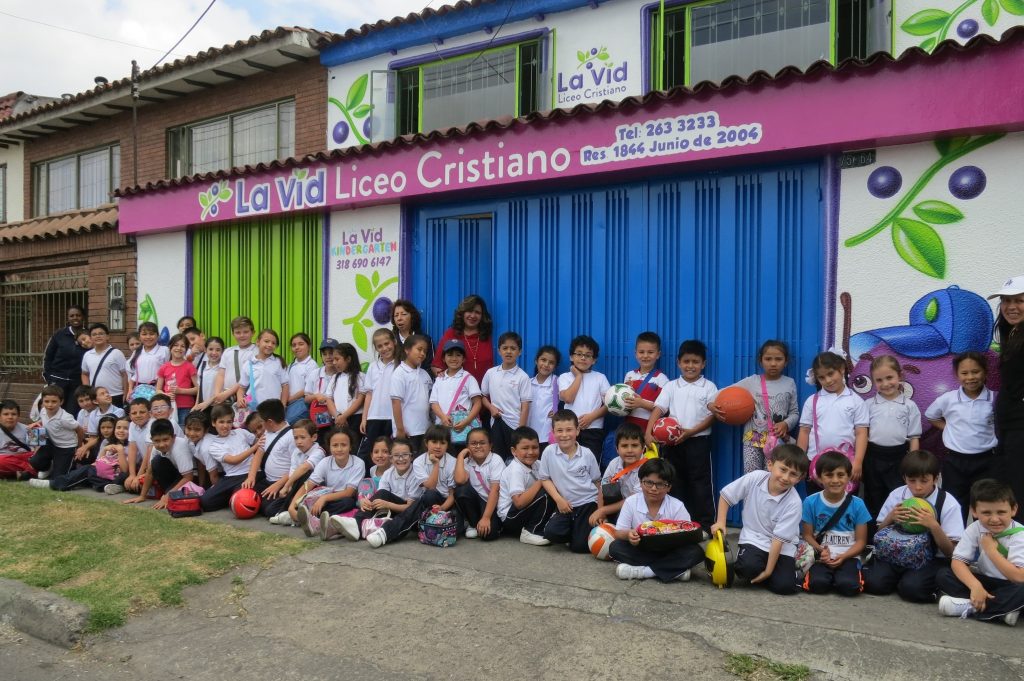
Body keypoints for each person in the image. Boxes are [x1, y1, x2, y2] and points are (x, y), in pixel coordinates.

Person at [863, 450, 964, 602]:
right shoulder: (898, 495)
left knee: (912, 589)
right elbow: (879, 533)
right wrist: (891, 517)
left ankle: (927, 586)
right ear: (904, 478)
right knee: (874, 584)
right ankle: (900, 578)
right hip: (895, 554)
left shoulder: (947, 503)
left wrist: (934, 526)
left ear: (935, 478)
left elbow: (950, 552)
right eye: (912, 480)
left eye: (924, 481)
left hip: (930, 560)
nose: (917, 487)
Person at [711, 444, 808, 595]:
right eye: (783, 469)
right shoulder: (756, 477)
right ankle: (762, 567)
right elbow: (726, 495)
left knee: (785, 587)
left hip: (782, 545)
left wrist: (768, 572)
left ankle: (792, 564)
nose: (785, 477)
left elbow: (778, 540)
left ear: (800, 478)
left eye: (793, 474)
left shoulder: (794, 503)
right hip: (754, 538)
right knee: (746, 569)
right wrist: (721, 521)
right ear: (770, 464)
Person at [646, 339, 718, 529]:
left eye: (695, 362)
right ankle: (678, 523)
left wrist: (691, 432)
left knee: (700, 484)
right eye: (686, 361)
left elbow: (713, 415)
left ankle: (705, 525)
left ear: (703, 364)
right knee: (674, 483)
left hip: (698, 442)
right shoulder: (671, 386)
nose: (690, 366)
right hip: (672, 445)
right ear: (679, 362)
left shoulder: (709, 387)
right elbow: (658, 409)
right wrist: (648, 432)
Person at [936, 479, 1024, 626]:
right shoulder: (975, 528)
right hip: (985, 582)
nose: (994, 519)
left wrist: (991, 550)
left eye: (1001, 512)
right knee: (944, 575)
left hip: (1012, 585)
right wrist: (975, 586)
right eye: (986, 513)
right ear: (974, 512)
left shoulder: (1019, 535)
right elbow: (958, 562)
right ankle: (1001, 610)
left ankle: (970, 607)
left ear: (1013, 509)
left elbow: (1019, 577)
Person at [925, 351, 998, 521]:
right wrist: (948, 427)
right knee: (955, 506)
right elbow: (931, 415)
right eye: (964, 373)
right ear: (957, 375)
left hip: (987, 462)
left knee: (985, 504)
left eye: (976, 371)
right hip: (955, 463)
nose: (970, 377)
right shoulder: (948, 399)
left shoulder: (994, 398)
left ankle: (984, 543)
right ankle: (956, 545)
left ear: (985, 372)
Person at [609, 458, 704, 582]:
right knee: (615, 547)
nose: (653, 488)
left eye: (660, 484)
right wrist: (628, 535)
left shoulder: (677, 506)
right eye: (648, 482)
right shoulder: (631, 502)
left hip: (670, 550)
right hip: (642, 548)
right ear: (640, 482)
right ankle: (674, 570)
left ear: (669, 487)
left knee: (696, 552)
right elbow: (618, 532)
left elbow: (689, 536)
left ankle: (644, 572)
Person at [712, 340, 798, 474]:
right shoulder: (752, 381)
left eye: (778, 359)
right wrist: (711, 405)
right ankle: (752, 496)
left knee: (773, 476)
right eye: (768, 359)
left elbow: (794, 413)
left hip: (777, 441)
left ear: (786, 361)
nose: (773, 363)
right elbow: (720, 394)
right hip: (752, 440)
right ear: (760, 360)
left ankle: (769, 497)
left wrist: (786, 424)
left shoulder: (789, 383)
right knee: (752, 477)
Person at [365, 425, 457, 547]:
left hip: (445, 503)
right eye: (434, 442)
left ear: (447, 445)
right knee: (425, 497)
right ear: (426, 443)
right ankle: (357, 523)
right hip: (427, 502)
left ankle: (386, 532)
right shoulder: (419, 461)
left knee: (427, 496)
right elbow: (430, 486)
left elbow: (450, 494)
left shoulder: (452, 462)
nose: (438, 446)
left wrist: (442, 508)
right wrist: (363, 502)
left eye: (442, 443)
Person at [800, 451, 871, 596]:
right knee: (817, 585)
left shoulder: (858, 504)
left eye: (840, 475)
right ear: (819, 477)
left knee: (849, 588)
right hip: (821, 556)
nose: (835, 480)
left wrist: (843, 557)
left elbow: (861, 541)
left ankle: (842, 578)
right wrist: (821, 550)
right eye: (829, 474)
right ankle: (828, 578)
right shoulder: (810, 502)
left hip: (849, 556)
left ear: (849, 477)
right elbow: (807, 535)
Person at [796, 351, 869, 489]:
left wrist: (858, 462)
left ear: (841, 369)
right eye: (822, 377)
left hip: (846, 464)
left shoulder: (856, 401)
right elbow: (804, 432)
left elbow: (861, 433)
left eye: (831, 374)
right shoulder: (812, 401)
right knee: (817, 504)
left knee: (844, 507)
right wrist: (801, 461)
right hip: (816, 465)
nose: (828, 380)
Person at [863, 355, 922, 519]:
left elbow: (914, 437)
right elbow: (861, 435)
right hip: (873, 458)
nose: (885, 383)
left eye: (890, 377)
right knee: (873, 496)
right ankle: (872, 538)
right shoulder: (868, 405)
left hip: (899, 460)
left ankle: (896, 537)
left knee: (898, 497)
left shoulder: (909, 406)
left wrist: (912, 463)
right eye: (879, 380)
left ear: (900, 376)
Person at [538, 410, 602, 552]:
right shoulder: (549, 452)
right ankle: (576, 531)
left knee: (580, 547)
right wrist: (559, 499)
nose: (564, 435)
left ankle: (579, 533)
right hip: (566, 506)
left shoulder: (587, 454)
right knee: (551, 533)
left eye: (569, 430)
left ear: (577, 431)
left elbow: (598, 483)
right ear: (553, 432)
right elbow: (545, 478)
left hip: (587, 503)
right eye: (559, 430)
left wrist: (600, 510)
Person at [336, 437, 420, 541]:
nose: (401, 458)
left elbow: (411, 508)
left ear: (411, 457)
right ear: (391, 458)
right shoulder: (388, 473)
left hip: (410, 514)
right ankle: (355, 524)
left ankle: (356, 523)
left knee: (383, 495)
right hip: (392, 511)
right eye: (396, 455)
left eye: (405, 455)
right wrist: (365, 502)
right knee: (380, 495)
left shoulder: (416, 475)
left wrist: (387, 504)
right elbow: (381, 496)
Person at [990, 276, 1024, 521]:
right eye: (1006, 301)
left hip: (1020, 429)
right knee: (1011, 488)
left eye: (1019, 300)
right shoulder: (1013, 334)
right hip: (1010, 429)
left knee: (1019, 492)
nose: (1011, 306)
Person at [295, 427, 365, 539]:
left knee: (348, 502)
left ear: (350, 446)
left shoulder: (358, 463)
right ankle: (313, 518)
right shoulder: (325, 462)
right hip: (327, 498)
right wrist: (292, 506)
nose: (339, 449)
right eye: (335, 445)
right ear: (329, 447)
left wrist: (324, 498)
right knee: (309, 498)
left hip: (341, 498)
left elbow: (349, 492)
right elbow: (309, 484)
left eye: (344, 445)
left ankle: (316, 521)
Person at [199, 404, 263, 511]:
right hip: (231, 477)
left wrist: (259, 440)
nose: (225, 426)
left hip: (251, 473)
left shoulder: (240, 432)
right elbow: (234, 460)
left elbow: (258, 441)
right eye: (221, 422)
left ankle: (235, 498)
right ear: (214, 423)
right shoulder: (214, 446)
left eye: (229, 422)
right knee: (205, 501)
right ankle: (231, 498)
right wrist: (254, 448)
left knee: (242, 499)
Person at [481, 331, 532, 463]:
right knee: (497, 459)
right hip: (496, 422)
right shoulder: (491, 373)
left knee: (516, 460)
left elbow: (525, 407)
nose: (508, 351)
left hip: (514, 425)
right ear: (499, 351)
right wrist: (491, 408)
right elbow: (483, 396)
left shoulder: (523, 377)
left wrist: (520, 430)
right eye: (505, 348)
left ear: (519, 352)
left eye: (513, 348)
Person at [498, 426, 554, 545]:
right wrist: (541, 480)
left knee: (552, 485)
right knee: (546, 489)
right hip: (510, 517)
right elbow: (518, 503)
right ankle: (530, 531)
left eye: (535, 447)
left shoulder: (538, 464)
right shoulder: (515, 470)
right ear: (514, 451)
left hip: (526, 511)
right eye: (525, 448)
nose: (531, 452)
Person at [123, 419, 195, 510]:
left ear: (173, 437)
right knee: (156, 462)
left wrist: (168, 496)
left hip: (190, 480)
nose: (161, 444)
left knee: (158, 461)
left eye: (165, 439)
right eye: (157, 441)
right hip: (177, 476)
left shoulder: (179, 447)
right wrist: (142, 496)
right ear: (152, 440)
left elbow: (188, 477)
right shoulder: (155, 447)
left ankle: (170, 494)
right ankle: (168, 493)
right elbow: (150, 471)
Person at [558, 335, 610, 456]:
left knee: (590, 464)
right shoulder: (564, 377)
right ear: (571, 356)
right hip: (568, 429)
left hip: (593, 429)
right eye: (579, 354)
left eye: (588, 355)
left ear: (594, 360)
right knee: (568, 462)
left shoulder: (600, 377)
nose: (583, 358)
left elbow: (610, 404)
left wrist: (591, 417)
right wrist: (578, 376)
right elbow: (568, 398)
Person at [268, 419, 326, 526]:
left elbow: (304, 468)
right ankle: (289, 515)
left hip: (313, 489)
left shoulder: (319, 452)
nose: (299, 441)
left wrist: (287, 485)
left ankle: (285, 513)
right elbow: (293, 472)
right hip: (297, 488)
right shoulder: (296, 452)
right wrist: (289, 486)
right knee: (270, 509)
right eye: (296, 438)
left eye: (303, 437)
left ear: (314, 437)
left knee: (305, 473)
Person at [429, 339, 482, 452]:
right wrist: (443, 417)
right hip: (442, 429)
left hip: (461, 429)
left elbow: (477, 402)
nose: (454, 358)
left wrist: (466, 421)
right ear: (443, 358)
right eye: (450, 355)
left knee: (461, 458)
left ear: (464, 359)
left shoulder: (468, 378)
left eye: (458, 355)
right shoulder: (439, 379)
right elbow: (434, 403)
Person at [453, 428, 505, 540]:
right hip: (477, 502)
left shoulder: (496, 460)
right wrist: (461, 456)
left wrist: (486, 518)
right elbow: (459, 480)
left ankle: (488, 524)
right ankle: (473, 524)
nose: (478, 446)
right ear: (467, 446)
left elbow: (495, 490)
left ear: (490, 445)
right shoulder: (466, 461)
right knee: (461, 491)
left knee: (488, 535)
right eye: (473, 443)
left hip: (493, 503)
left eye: (482, 443)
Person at [249, 399, 297, 519]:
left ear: (269, 422)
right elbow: (258, 456)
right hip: (267, 481)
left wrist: (278, 485)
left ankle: (289, 509)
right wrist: (251, 476)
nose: (262, 427)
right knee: (244, 494)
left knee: (268, 509)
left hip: (283, 483)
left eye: (262, 423)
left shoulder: (292, 436)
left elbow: (296, 467)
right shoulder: (267, 434)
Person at [591, 422, 646, 527]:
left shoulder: (646, 468)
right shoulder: (614, 463)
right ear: (617, 449)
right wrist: (601, 514)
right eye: (624, 446)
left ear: (643, 448)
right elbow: (603, 490)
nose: (630, 450)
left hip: (638, 510)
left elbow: (632, 500)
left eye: (634, 445)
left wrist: (603, 510)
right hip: (618, 507)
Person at [356, 328, 398, 464]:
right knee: (369, 452)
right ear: (376, 348)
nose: (384, 348)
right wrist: (364, 418)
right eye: (380, 346)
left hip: (393, 417)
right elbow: (369, 394)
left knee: (391, 451)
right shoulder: (373, 367)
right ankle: (367, 482)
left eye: (387, 344)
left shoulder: (401, 365)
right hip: (374, 417)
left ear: (394, 342)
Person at [431, 294, 494, 384]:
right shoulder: (451, 334)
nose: (473, 315)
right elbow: (436, 366)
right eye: (469, 311)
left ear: (482, 316)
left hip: (483, 393)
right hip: (458, 393)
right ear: (462, 313)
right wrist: (446, 383)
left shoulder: (486, 336)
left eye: (477, 312)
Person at [27, 385, 82, 480]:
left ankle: (61, 466)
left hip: (66, 447)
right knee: (34, 461)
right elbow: (43, 421)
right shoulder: (43, 410)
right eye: (46, 401)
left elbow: (79, 430)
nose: (50, 405)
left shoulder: (65, 418)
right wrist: (36, 423)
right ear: (43, 401)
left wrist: (79, 446)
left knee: (58, 478)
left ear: (61, 402)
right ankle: (46, 466)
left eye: (54, 401)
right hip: (51, 443)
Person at [390, 334, 434, 453]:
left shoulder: (424, 374)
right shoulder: (399, 373)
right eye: (419, 349)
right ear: (407, 350)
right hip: (408, 431)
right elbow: (395, 402)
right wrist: (400, 429)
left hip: (425, 429)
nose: (422, 354)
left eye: (425, 351)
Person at [43, 305, 87, 415]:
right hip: (57, 380)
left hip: (76, 382)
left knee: (72, 412)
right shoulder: (59, 334)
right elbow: (48, 357)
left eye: (78, 315)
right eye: (72, 316)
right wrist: (49, 377)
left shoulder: (88, 335)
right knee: (55, 411)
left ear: (83, 317)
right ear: (68, 318)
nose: (75, 318)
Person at [622, 332, 669, 430]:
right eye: (641, 352)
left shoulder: (662, 379)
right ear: (636, 354)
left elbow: (665, 409)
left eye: (650, 352)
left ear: (658, 354)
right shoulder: (629, 375)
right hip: (629, 427)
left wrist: (642, 403)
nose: (645, 355)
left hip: (649, 428)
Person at [236, 329, 289, 409]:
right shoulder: (249, 363)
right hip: (253, 407)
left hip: (273, 408)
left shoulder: (279, 362)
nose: (270, 345)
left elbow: (285, 386)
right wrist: (240, 398)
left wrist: (283, 405)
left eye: (273, 343)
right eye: (266, 341)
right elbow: (242, 387)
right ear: (258, 342)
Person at [80, 323, 129, 408]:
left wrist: (126, 393)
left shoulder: (116, 353)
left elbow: (125, 375)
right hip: (97, 397)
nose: (98, 336)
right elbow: (84, 374)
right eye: (94, 334)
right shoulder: (87, 355)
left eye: (101, 334)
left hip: (116, 395)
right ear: (91, 338)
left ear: (107, 337)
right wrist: (88, 391)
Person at [212, 316, 257, 405]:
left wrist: (227, 393)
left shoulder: (256, 351)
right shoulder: (228, 351)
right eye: (238, 332)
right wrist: (218, 394)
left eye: (246, 332)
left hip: (247, 396)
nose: (242, 335)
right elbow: (221, 374)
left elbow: (248, 377)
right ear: (233, 334)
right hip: (227, 398)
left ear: (253, 333)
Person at [156, 334, 199, 426]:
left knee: (183, 430)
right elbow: (158, 390)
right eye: (176, 345)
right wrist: (165, 395)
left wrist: (181, 391)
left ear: (186, 349)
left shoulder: (190, 367)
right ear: (170, 347)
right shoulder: (164, 367)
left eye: (182, 346)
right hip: (167, 407)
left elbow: (198, 389)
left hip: (185, 407)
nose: (179, 348)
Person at [328, 343, 365, 448]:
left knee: (353, 447)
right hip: (337, 420)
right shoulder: (335, 378)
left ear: (348, 359)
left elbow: (360, 399)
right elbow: (329, 399)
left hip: (354, 419)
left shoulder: (360, 377)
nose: (334, 362)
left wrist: (345, 416)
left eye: (337, 359)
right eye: (333, 359)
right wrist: (337, 416)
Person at [528, 346, 560, 444]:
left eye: (551, 362)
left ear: (555, 366)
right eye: (543, 360)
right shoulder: (528, 383)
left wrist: (557, 411)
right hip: (529, 429)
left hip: (547, 432)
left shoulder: (557, 381)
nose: (546, 364)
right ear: (536, 361)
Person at [127, 322, 169, 395]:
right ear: (139, 337)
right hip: (138, 391)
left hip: (158, 391)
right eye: (144, 334)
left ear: (157, 336)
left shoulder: (164, 350)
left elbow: (169, 370)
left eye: (151, 334)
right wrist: (130, 390)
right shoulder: (136, 352)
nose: (148, 337)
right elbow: (133, 374)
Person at [285, 333, 318, 424]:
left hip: (301, 405)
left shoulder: (312, 365)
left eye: (301, 344)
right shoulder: (291, 365)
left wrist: (289, 399)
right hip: (290, 405)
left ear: (309, 346)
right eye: (294, 345)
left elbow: (307, 389)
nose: (297, 347)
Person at [391, 299, 433, 368]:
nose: (399, 318)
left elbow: (430, 367)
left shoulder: (425, 339)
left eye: (403, 314)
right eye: (396, 315)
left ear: (412, 316)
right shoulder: (391, 340)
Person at [0, 399, 36, 480]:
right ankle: (31, 471)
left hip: (25, 457)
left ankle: (16, 474)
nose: (10, 417)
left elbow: (38, 453)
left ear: (18, 416)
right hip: (5, 460)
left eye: (13, 414)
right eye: (6, 414)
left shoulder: (28, 429)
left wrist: (39, 428)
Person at [191, 336, 224, 414]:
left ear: (223, 351)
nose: (214, 353)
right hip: (203, 407)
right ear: (205, 350)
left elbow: (224, 391)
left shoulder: (223, 368)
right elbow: (200, 388)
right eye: (211, 349)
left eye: (218, 350)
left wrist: (208, 403)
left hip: (219, 407)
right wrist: (196, 405)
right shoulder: (203, 366)